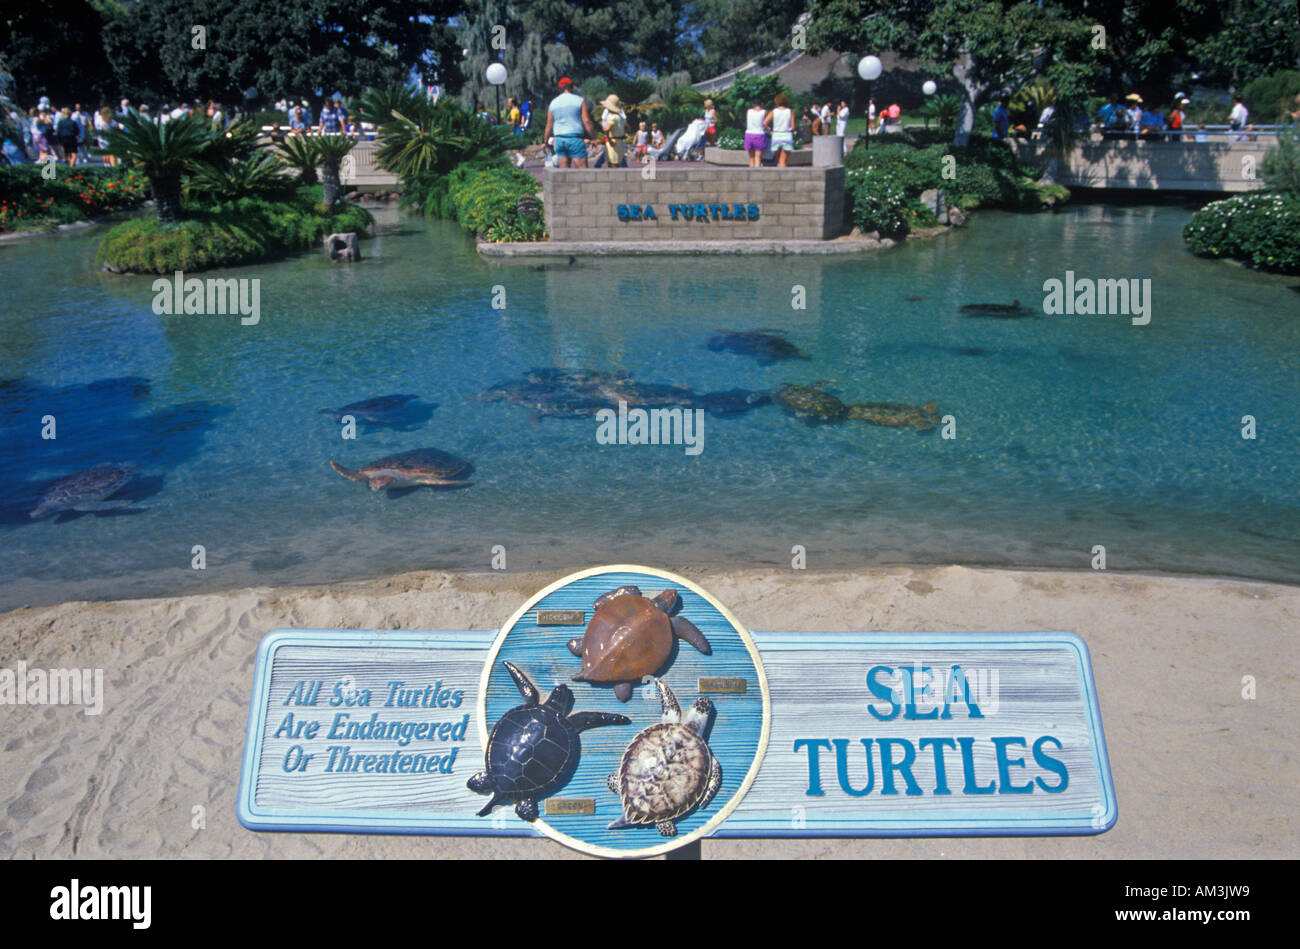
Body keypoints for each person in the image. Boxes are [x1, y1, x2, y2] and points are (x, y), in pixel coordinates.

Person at [543, 77, 597, 169]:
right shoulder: (579, 100)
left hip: (559, 139)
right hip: (574, 138)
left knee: (564, 173)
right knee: (583, 171)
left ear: (560, 88)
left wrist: (545, 142)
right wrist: (593, 138)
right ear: (571, 87)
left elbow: (549, 125)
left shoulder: (553, 103)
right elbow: (587, 121)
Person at [767, 93, 795, 167]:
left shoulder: (774, 111)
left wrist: (770, 131)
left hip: (776, 135)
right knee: (783, 161)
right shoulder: (789, 111)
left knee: (779, 161)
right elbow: (793, 127)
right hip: (786, 135)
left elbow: (764, 123)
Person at [599, 93, 627, 168]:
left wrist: (609, 140)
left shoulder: (613, 118)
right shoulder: (621, 118)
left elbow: (607, 130)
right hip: (620, 142)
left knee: (612, 164)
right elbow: (626, 127)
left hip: (613, 142)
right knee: (619, 163)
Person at [744, 97, 768, 167]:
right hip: (759, 134)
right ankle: (757, 176)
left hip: (749, 134)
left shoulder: (749, 111)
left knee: (751, 158)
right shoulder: (764, 112)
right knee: (758, 158)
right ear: (762, 104)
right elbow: (766, 123)